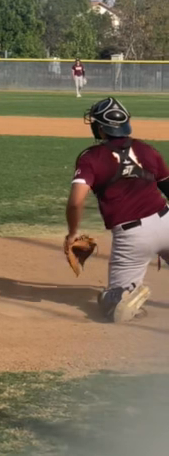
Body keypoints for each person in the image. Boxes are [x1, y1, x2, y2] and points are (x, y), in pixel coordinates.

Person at [65, 96, 169, 323]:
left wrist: (72, 233)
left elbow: (75, 202)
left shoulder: (91, 157)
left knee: (113, 308)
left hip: (134, 237)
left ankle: (125, 294)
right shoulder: (147, 149)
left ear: (101, 129)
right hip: (167, 221)